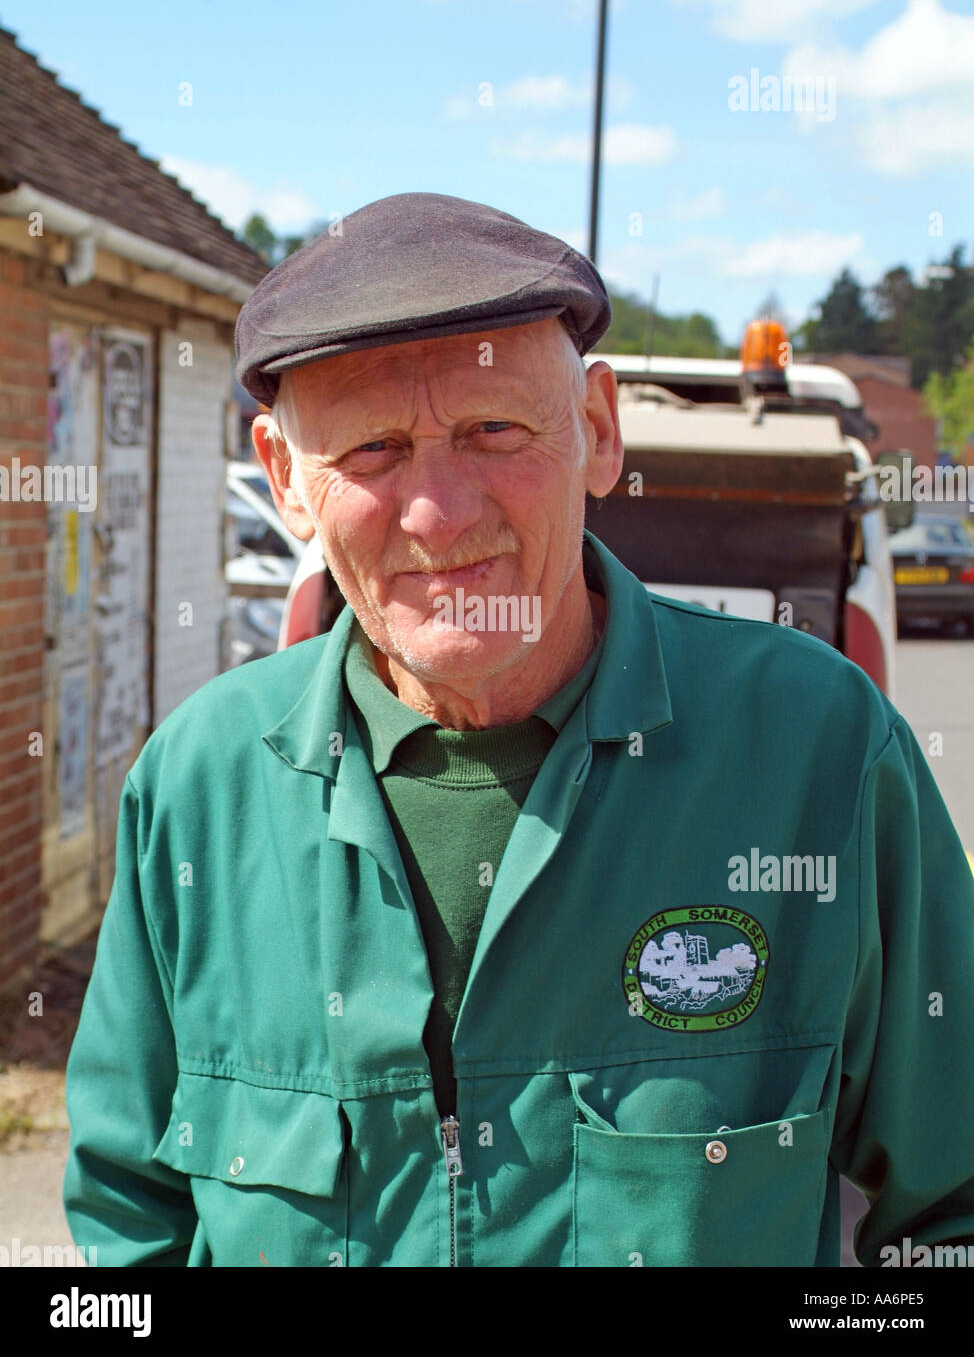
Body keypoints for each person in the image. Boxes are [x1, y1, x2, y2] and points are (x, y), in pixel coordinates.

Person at [64, 192, 974, 1268]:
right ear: (284, 480)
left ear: (594, 428)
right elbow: (131, 1224)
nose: (439, 514)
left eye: (492, 429)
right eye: (372, 449)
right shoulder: (196, 788)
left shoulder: (818, 754)